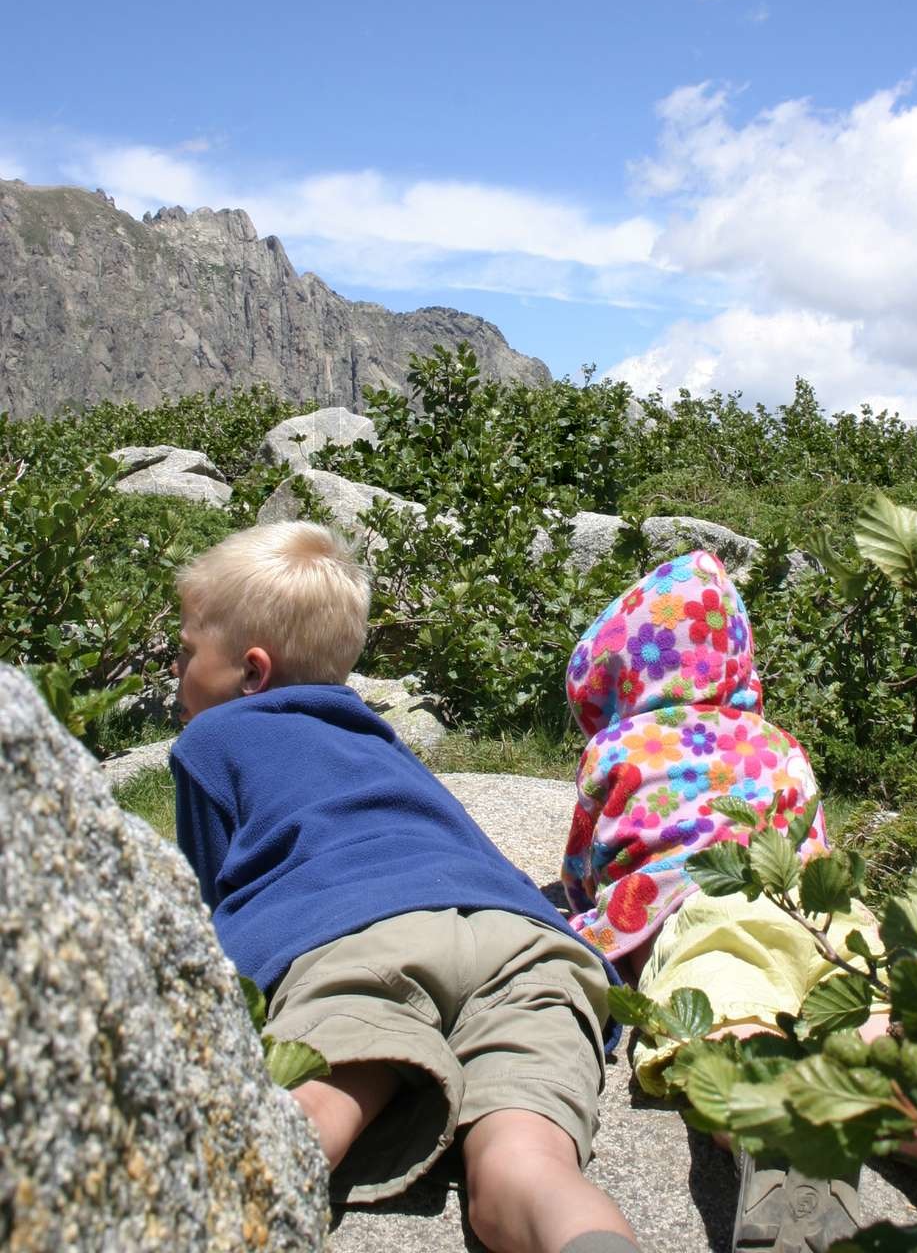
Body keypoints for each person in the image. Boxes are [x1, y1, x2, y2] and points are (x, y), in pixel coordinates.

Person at [169, 520, 641, 1253]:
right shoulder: (378, 737)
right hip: (522, 938)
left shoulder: (210, 740)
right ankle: (579, 1234)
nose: (177, 671)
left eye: (185, 652)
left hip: (354, 936)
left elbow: (206, 919)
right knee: (527, 1159)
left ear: (252, 673)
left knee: (327, 1095)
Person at [560, 550, 889, 1252]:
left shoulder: (618, 747)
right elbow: (817, 843)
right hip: (817, 911)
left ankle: (777, 1128)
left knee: (727, 1012)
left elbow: (587, 867)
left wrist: (592, 922)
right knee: (868, 1013)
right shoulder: (778, 741)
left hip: (708, 908)